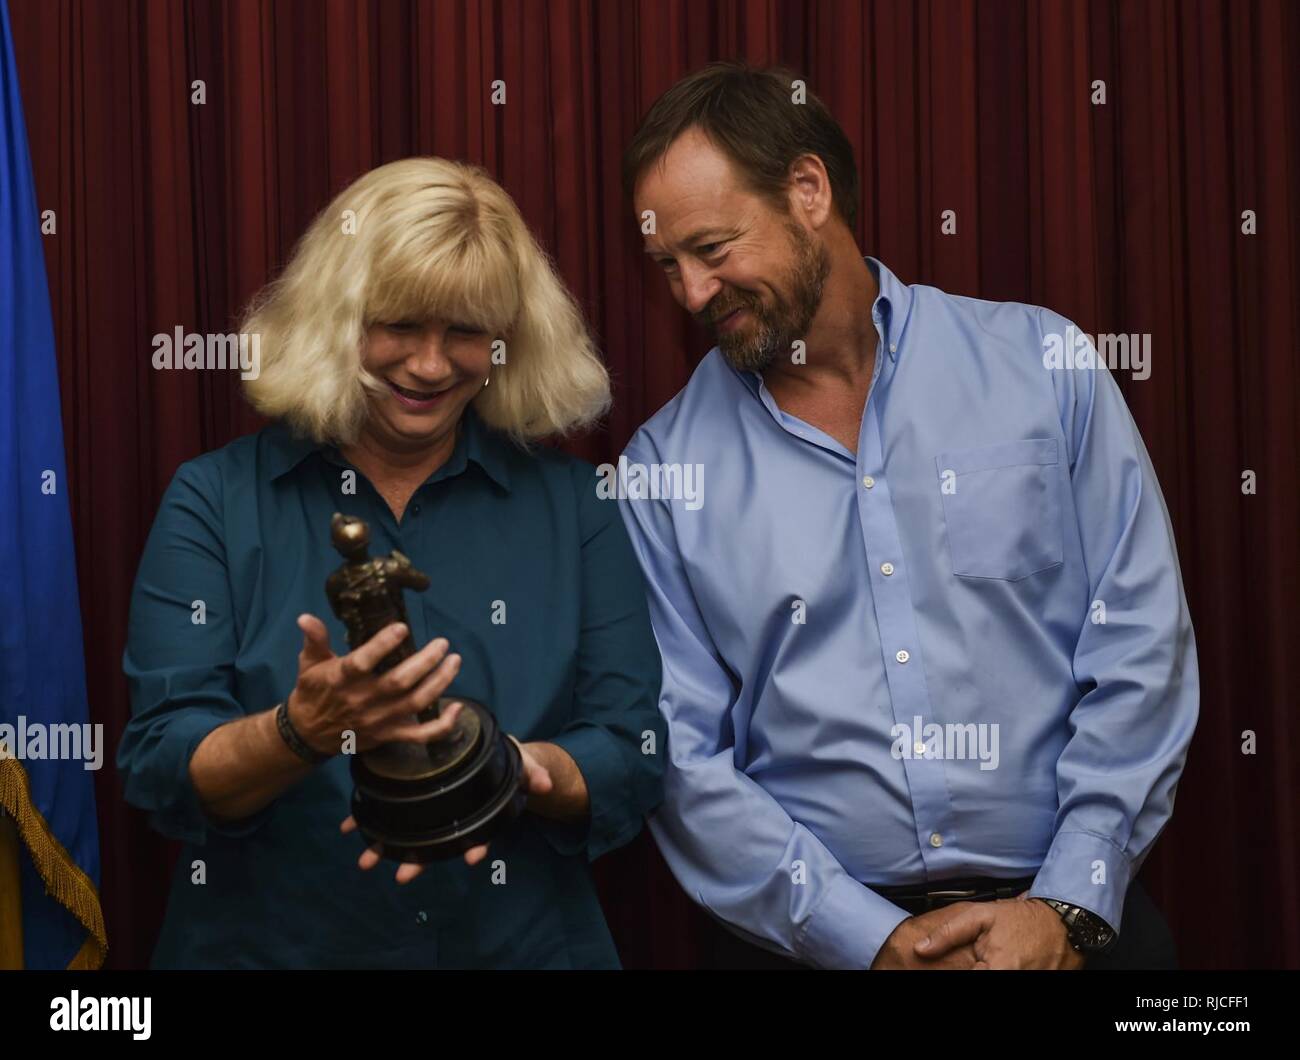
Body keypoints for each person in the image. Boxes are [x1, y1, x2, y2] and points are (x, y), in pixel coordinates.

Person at [617, 63, 1198, 970]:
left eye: (713, 248)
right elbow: (682, 758)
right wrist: (871, 940)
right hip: (811, 948)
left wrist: (1066, 905)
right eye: (667, 267)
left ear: (809, 190)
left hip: (1075, 930)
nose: (691, 293)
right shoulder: (661, 472)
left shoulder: (1043, 363)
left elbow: (1140, 642)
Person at [118, 157, 665, 969]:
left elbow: (632, 753)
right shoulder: (216, 500)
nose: (433, 365)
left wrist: (509, 769)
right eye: (401, 325)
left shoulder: (576, 506)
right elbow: (162, 768)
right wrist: (301, 730)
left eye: (467, 332)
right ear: (336, 321)